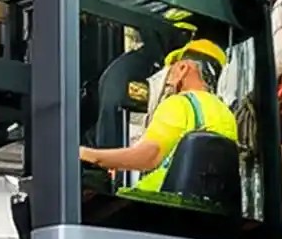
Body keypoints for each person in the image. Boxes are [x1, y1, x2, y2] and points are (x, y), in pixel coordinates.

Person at [78, 38, 238, 192]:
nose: (168, 79)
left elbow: (149, 156)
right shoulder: (227, 116)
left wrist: (89, 154)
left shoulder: (180, 104)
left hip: (156, 201)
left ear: (183, 68)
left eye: (171, 69)